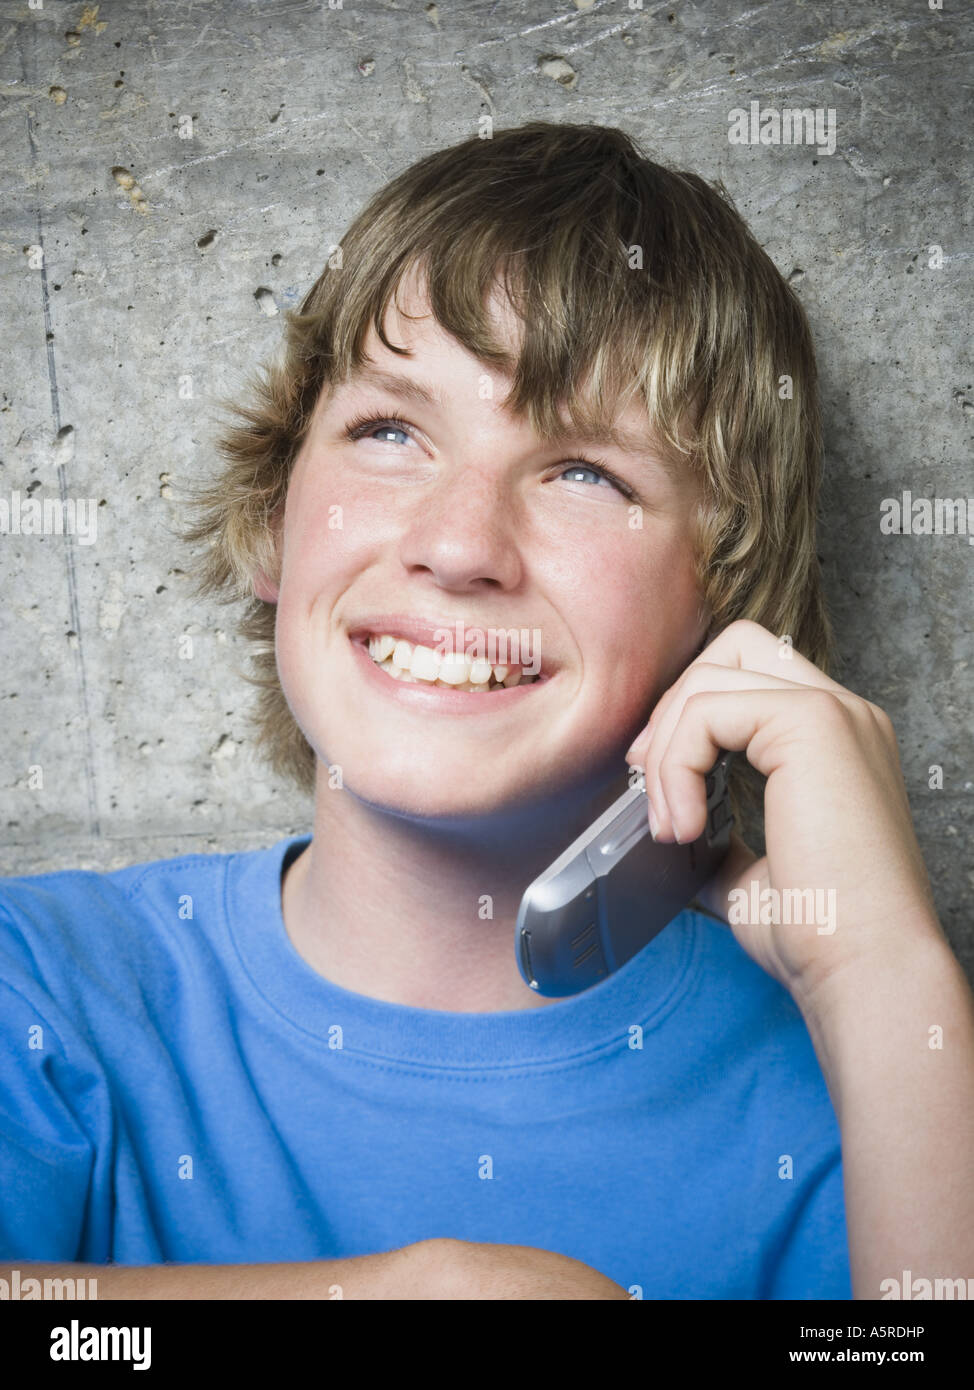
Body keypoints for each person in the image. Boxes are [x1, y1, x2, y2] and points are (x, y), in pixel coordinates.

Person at [1, 122, 971, 1301]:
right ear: (275, 519)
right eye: (388, 431)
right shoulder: (45, 989)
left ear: (726, 610)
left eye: (584, 474)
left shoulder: (870, 1096)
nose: (457, 545)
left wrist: (886, 972)